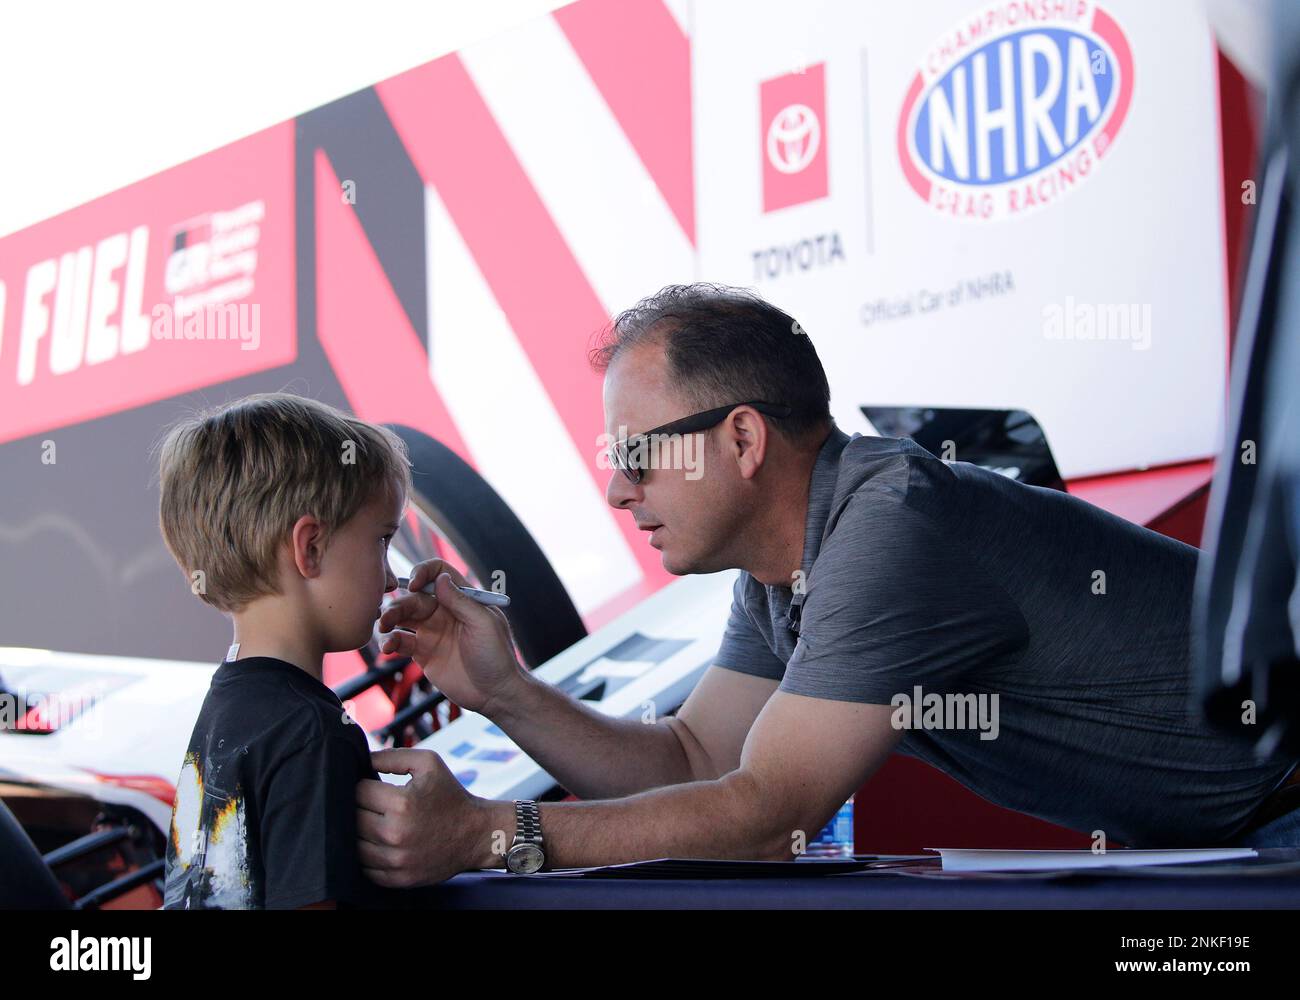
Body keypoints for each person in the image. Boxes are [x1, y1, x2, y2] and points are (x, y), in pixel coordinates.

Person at [357, 284, 1300, 887]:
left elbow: (768, 816)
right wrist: (505, 692)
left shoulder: (893, 530)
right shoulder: (792, 559)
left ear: (741, 440)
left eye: (638, 454)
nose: (616, 487)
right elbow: (696, 761)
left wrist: (493, 834)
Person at [157, 392, 410, 908]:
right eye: (382, 541)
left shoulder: (224, 708)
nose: (390, 578)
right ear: (310, 548)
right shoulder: (312, 733)